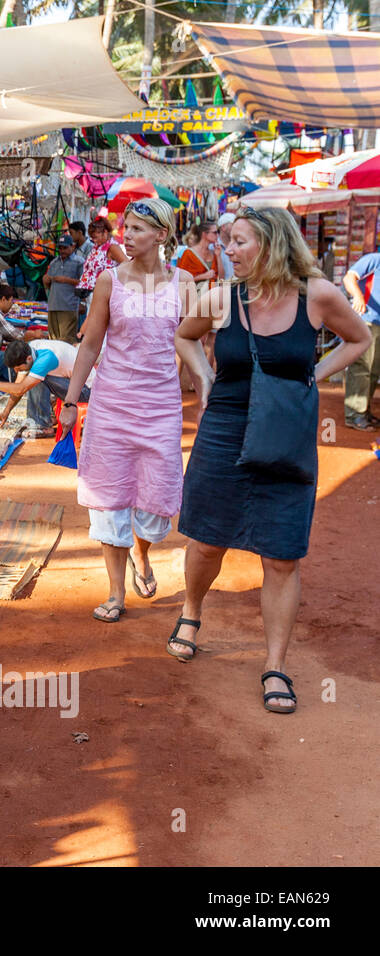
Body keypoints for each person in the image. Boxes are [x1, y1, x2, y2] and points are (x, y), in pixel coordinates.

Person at [173, 207, 370, 713]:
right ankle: (192, 610)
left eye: (238, 242)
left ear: (272, 244)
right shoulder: (219, 297)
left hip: (284, 434)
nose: (229, 251)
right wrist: (204, 377)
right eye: (226, 241)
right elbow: (184, 336)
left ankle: (275, 664)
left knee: (282, 554)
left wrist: (313, 378)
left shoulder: (318, 296)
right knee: (208, 540)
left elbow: (360, 338)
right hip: (223, 433)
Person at [57, 198, 193, 623]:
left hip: (162, 409)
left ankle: (143, 551)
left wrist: (203, 388)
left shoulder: (185, 282)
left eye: (136, 229)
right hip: (112, 405)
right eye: (125, 229)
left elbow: (195, 344)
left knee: (154, 503)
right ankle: (116, 592)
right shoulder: (109, 281)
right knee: (109, 496)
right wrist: (71, 399)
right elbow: (91, 343)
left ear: (161, 235)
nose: (126, 237)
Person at [0, 337, 94, 439]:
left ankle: (41, 425)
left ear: (28, 359)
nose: (16, 371)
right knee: (33, 377)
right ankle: (46, 417)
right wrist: (6, 412)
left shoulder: (45, 358)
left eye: (18, 367)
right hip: (72, 383)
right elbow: (18, 388)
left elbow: (20, 389)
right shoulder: (30, 348)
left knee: (36, 378)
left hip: (86, 390)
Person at [341, 248, 380, 430]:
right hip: (364, 320)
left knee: (373, 370)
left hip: (377, 323)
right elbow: (349, 278)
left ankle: (363, 412)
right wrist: (358, 296)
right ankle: (354, 414)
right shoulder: (374, 259)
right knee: (361, 366)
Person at [42, 235, 85, 343]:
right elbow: (49, 285)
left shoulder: (79, 262)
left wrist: (66, 280)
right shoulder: (54, 262)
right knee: (53, 340)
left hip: (69, 306)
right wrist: (46, 281)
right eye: (60, 248)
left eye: (65, 248)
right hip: (53, 305)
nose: (62, 250)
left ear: (72, 247)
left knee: (67, 340)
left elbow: (85, 284)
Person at [77, 216, 129, 296]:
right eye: (92, 238)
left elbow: (127, 266)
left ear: (105, 232)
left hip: (105, 293)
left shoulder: (112, 248)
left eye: (95, 237)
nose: (94, 240)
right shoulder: (97, 247)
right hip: (92, 293)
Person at [215, 212, 236, 280]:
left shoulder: (238, 246)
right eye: (233, 224)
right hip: (220, 288)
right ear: (223, 227)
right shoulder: (213, 246)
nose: (236, 228)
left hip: (237, 287)